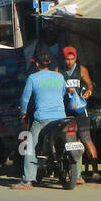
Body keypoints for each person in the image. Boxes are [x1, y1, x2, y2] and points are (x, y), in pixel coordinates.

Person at [13, 52, 77, 190]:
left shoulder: (33, 78)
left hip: (42, 119)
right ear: (49, 64)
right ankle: (77, 176)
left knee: (30, 145)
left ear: (36, 64)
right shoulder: (59, 77)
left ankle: (27, 180)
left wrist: (23, 113)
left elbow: (25, 99)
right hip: (61, 117)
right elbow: (62, 93)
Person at [61, 46, 100, 182]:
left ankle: (95, 171)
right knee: (66, 141)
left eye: (72, 59)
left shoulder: (81, 70)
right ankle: (68, 172)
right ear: (64, 59)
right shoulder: (59, 72)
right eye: (67, 59)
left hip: (80, 112)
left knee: (86, 138)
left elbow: (90, 86)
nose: (70, 62)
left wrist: (89, 92)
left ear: (76, 58)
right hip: (65, 111)